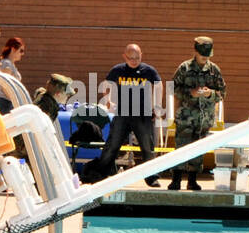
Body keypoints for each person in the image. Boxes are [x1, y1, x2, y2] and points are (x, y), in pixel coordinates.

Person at [83, 44, 161, 186]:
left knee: (147, 146)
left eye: (137, 58)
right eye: (131, 58)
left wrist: (156, 107)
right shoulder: (117, 70)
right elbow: (106, 85)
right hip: (122, 113)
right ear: (124, 56)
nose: (134, 61)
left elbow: (158, 86)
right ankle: (101, 174)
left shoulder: (148, 71)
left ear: (141, 55)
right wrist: (108, 101)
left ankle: (152, 177)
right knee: (112, 144)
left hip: (142, 114)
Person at [169, 36, 226, 191]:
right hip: (186, 117)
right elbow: (172, 88)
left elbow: (223, 93)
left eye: (207, 54)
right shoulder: (184, 68)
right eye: (202, 53)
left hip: (204, 119)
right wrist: (190, 93)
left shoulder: (214, 70)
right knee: (181, 148)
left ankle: (192, 181)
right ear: (195, 51)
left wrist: (210, 94)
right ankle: (176, 180)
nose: (204, 57)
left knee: (198, 150)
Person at [0, 36, 26, 114]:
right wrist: (15, 100)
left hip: (7, 102)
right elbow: (5, 86)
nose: (22, 54)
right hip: (5, 103)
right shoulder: (7, 64)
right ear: (13, 49)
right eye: (21, 50)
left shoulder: (10, 64)